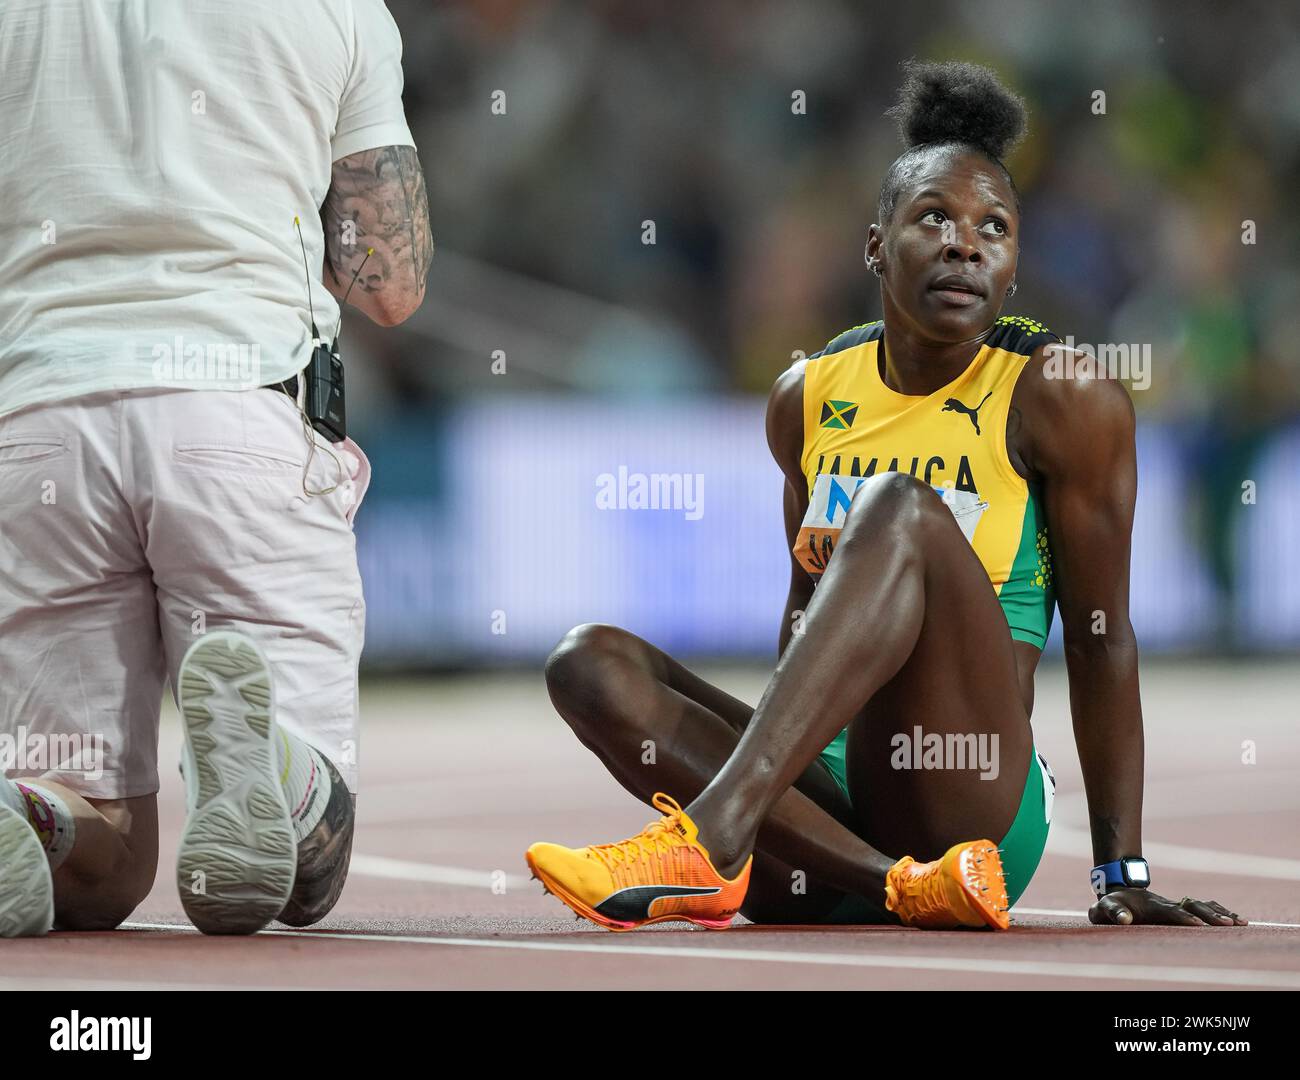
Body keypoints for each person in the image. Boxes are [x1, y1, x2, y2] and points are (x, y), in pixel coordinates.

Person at [525, 60, 1244, 931]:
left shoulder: (1061, 396)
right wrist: (794, 775)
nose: (964, 245)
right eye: (933, 218)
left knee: (898, 506)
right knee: (587, 661)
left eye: (994, 229)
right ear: (876, 245)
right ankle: (888, 883)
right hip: (831, 820)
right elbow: (802, 624)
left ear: (1013, 266)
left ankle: (715, 839)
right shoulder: (809, 395)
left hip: (968, 799)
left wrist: (1119, 870)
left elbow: (1101, 639)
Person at [0, 0, 432, 937]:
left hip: (45, 424)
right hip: (240, 410)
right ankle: (269, 764)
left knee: (94, 847)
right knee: (306, 869)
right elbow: (387, 281)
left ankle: (32, 811)